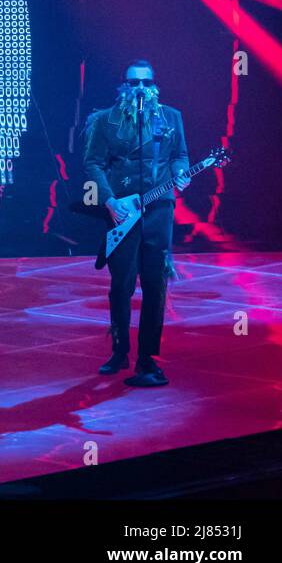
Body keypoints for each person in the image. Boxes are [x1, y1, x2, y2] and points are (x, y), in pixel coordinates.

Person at [82, 60, 190, 388]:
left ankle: (147, 359)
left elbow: (180, 156)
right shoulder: (104, 120)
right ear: (124, 86)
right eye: (133, 83)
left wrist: (180, 174)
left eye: (146, 83)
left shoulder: (170, 118)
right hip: (123, 211)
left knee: (156, 285)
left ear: (154, 85)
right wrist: (110, 201)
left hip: (159, 209)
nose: (140, 89)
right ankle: (119, 350)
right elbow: (93, 163)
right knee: (122, 286)